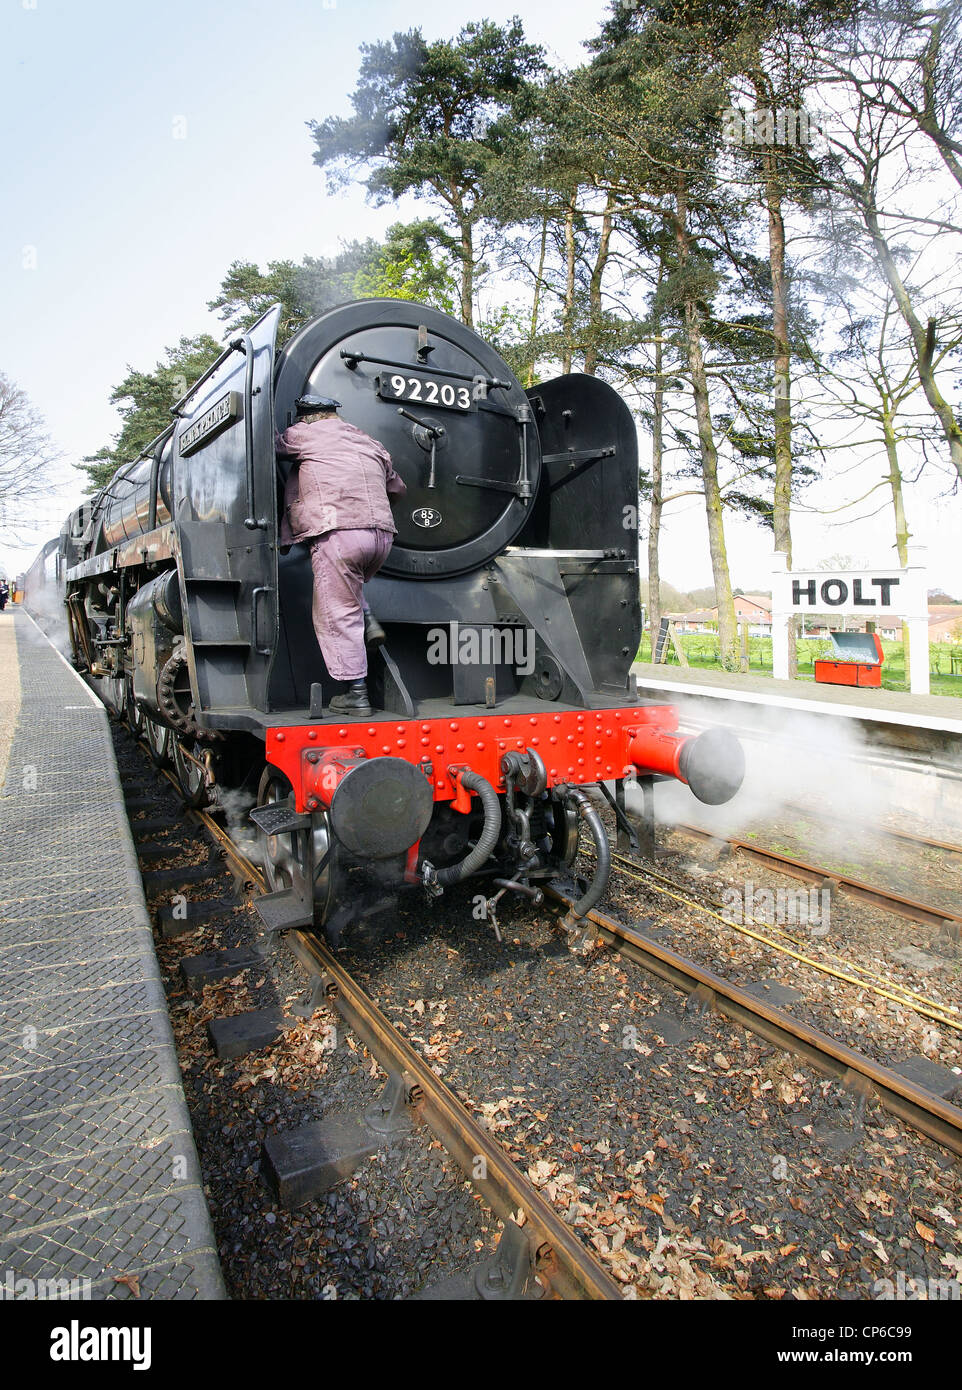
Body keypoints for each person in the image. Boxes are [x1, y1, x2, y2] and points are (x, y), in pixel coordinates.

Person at [277, 394, 406, 716]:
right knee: (349, 591)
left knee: (336, 613)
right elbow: (397, 489)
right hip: (381, 536)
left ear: (307, 417)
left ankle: (356, 694)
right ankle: (367, 616)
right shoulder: (369, 441)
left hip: (339, 533)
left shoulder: (305, 434)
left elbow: (270, 449)